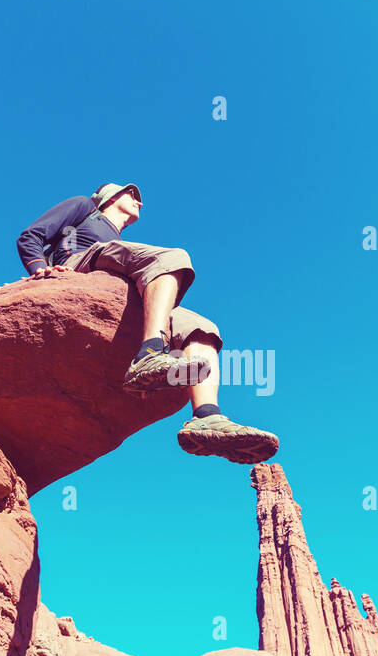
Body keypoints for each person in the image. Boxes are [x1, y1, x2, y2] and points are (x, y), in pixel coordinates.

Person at [15, 182, 279, 464]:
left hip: (125, 291)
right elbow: (30, 236)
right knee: (173, 257)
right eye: (132, 195)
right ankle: (151, 352)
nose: (139, 202)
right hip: (81, 265)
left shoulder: (119, 241)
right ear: (108, 197)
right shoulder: (85, 208)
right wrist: (40, 269)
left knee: (202, 330)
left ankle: (206, 417)